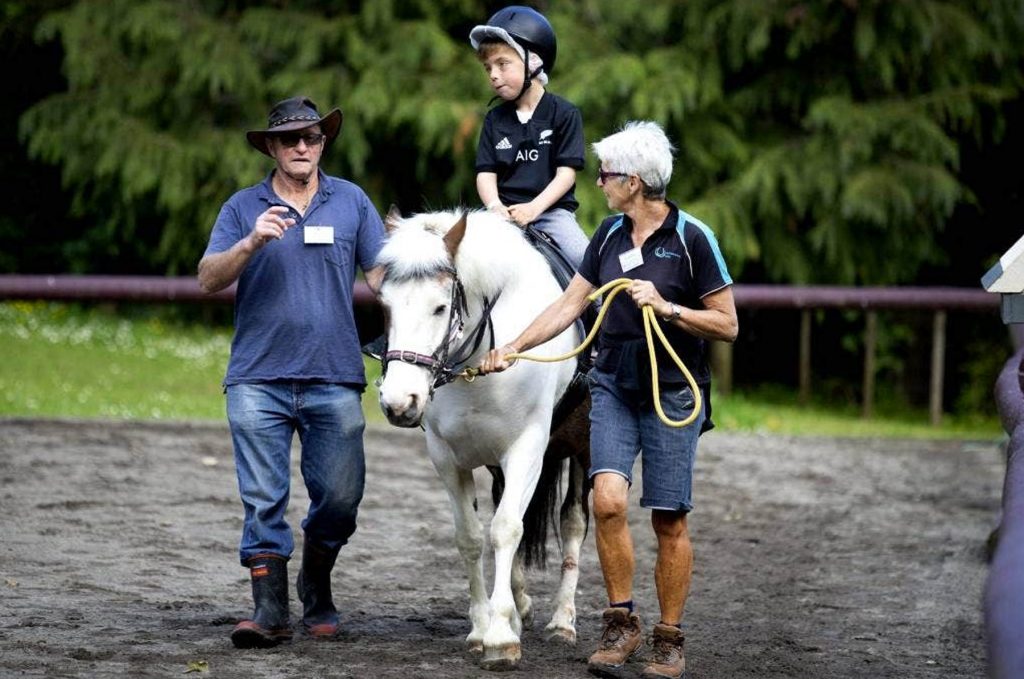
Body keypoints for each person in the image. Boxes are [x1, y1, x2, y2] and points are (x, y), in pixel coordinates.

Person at [479, 121, 738, 679]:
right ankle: (621, 623)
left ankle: (668, 637)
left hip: (673, 391)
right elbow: (570, 305)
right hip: (613, 386)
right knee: (607, 503)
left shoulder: (693, 238)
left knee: (668, 517)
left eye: (606, 175)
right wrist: (515, 347)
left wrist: (668, 308)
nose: (597, 182)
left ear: (634, 181)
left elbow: (727, 324)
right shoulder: (607, 235)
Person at [197, 96, 386, 648]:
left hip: (335, 376)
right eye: (289, 139)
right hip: (257, 378)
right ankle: (270, 610)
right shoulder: (242, 206)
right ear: (272, 148)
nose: (302, 146)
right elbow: (208, 278)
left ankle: (316, 584)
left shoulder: (351, 201)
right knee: (263, 499)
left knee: (341, 500)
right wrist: (251, 242)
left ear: (323, 143)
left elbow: (383, 278)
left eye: (311, 137)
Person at [469, 5, 590, 267]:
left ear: (533, 62)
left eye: (502, 64)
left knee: (585, 259)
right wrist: (494, 206)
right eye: (488, 68)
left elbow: (566, 175)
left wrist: (534, 208)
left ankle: (601, 296)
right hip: (502, 215)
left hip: (551, 214)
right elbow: (485, 174)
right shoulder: (494, 119)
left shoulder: (564, 113)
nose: (493, 75)